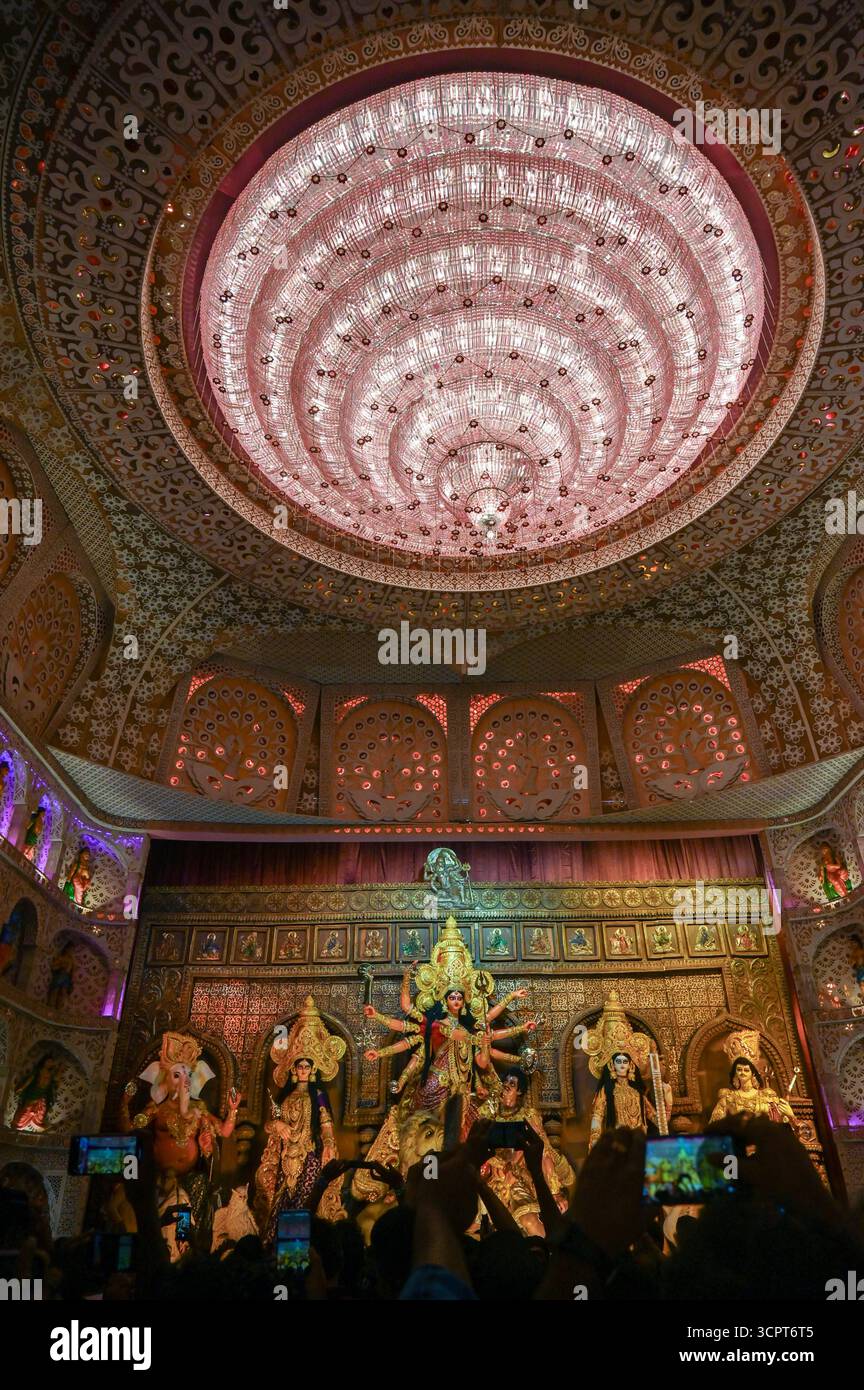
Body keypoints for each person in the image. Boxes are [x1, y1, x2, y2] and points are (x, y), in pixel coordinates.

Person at [254, 996, 346, 1240]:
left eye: (307, 1066)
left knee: (304, 1206)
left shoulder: (319, 1095)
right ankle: (277, 1255)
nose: (303, 1070)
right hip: (286, 1158)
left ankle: (298, 1257)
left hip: (309, 1155)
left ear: (313, 1069)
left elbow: (326, 1125)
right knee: (282, 1204)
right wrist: (277, 1124)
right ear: (293, 1069)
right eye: (299, 1066)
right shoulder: (284, 1097)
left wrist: (327, 1144)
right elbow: (269, 1123)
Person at [480, 1069, 574, 1235]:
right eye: (505, 1082)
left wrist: (555, 1193)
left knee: (530, 1220)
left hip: (519, 1178)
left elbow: (544, 1151)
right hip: (492, 1178)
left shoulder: (528, 1116)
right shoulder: (488, 1112)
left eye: (512, 1083)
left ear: (520, 1091)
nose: (507, 1086)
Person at [581, 992, 660, 1149]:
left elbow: (656, 1119)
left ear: (631, 1065)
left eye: (625, 1061)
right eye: (618, 1061)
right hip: (618, 1146)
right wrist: (595, 1144)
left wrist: (666, 1099)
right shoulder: (606, 1091)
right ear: (612, 1065)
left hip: (640, 1146)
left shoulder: (638, 1092)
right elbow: (597, 1119)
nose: (622, 1064)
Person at [709, 1030, 797, 1128]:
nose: (742, 1073)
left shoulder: (767, 1098)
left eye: (746, 1070)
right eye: (739, 1070)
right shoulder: (728, 1099)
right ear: (735, 1073)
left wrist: (789, 1114)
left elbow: (782, 1126)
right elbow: (715, 1129)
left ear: (753, 1073)